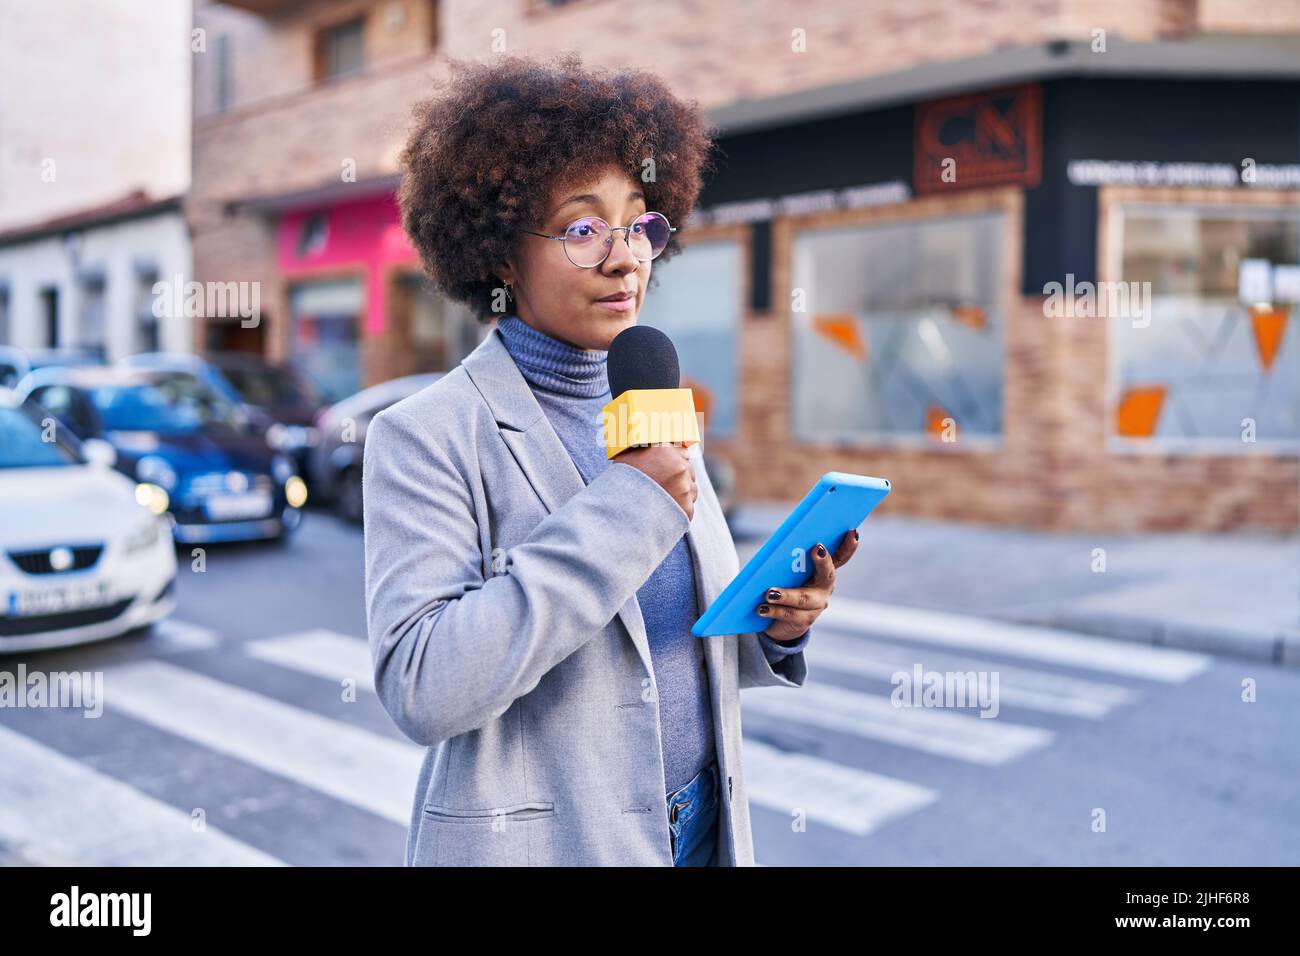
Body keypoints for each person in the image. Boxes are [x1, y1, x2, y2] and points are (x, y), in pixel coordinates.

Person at [363, 52, 860, 866]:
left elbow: (663, 638)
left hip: (702, 823)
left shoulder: (651, 392)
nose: (627, 257)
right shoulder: (427, 433)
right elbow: (424, 686)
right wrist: (626, 505)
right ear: (496, 254)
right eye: (583, 228)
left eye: (639, 222)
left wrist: (774, 628)